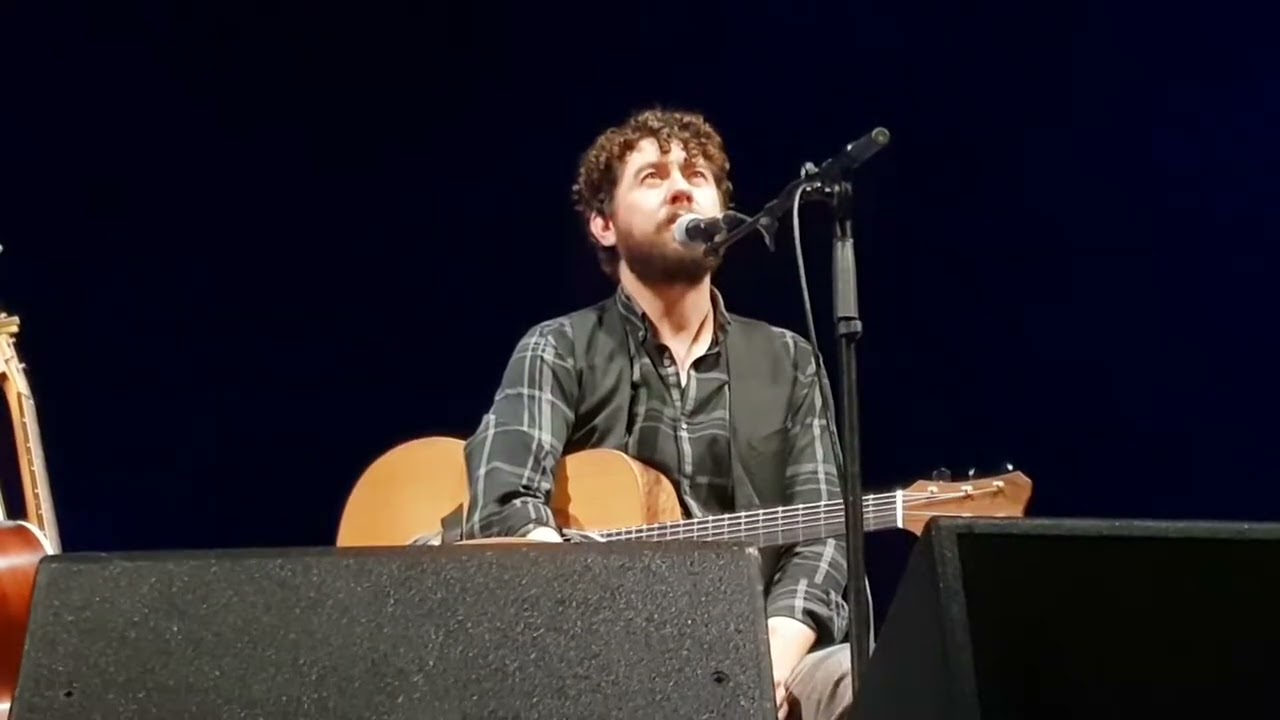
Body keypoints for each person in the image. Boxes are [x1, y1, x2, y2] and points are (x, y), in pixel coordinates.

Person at [462, 107, 852, 720]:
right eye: (652, 176)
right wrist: (595, 625)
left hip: (760, 646)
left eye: (696, 174)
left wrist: (762, 668)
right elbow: (504, 502)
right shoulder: (559, 347)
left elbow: (822, 537)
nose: (680, 186)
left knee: (858, 677)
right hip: (594, 659)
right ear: (603, 224)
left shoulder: (789, 360)